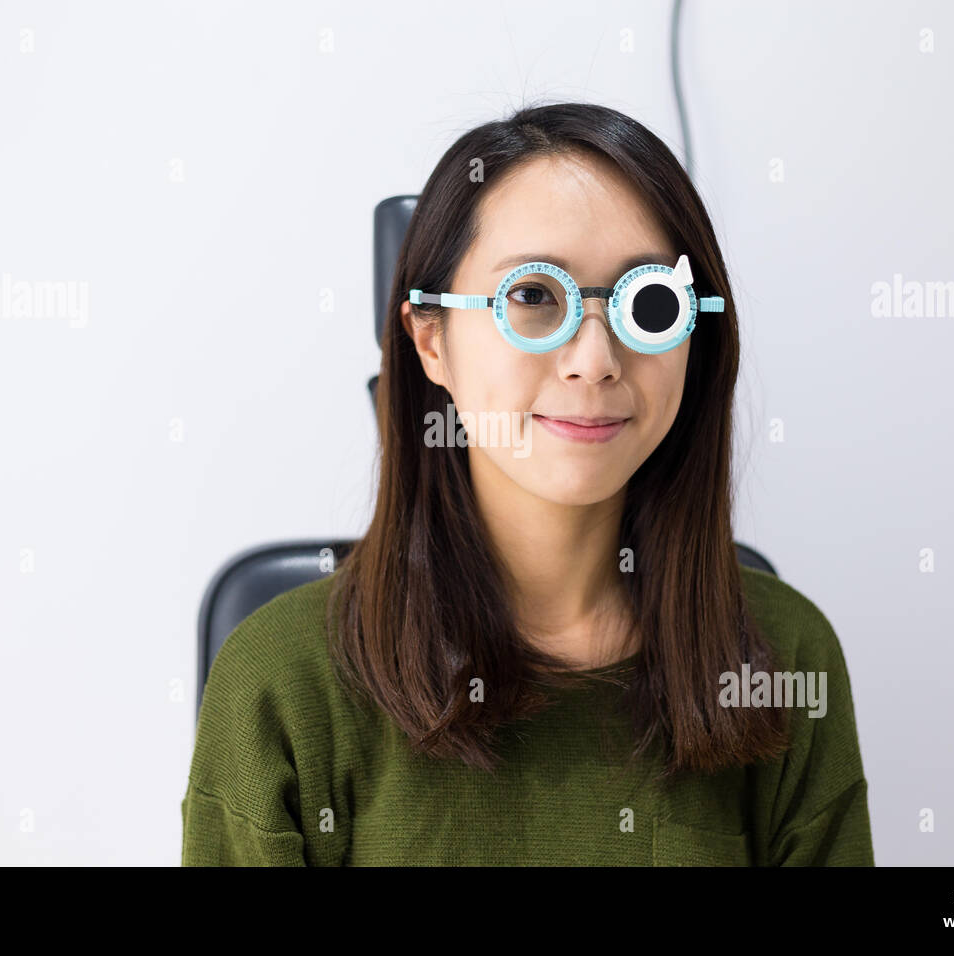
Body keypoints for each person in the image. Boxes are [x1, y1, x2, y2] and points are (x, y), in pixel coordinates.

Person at [181, 101, 874, 866]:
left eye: (648, 302)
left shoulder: (779, 662)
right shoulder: (281, 684)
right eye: (535, 297)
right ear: (431, 340)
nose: (595, 359)